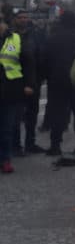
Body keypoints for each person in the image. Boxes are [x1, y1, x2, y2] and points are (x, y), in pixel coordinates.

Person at [41, 10, 75, 156]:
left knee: (58, 112)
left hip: (57, 81)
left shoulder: (52, 38)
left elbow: (45, 60)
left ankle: (55, 144)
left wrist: (46, 76)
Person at [0, 13, 37, 173]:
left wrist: (29, 84)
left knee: (7, 127)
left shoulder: (15, 39)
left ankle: (5, 159)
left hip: (10, 88)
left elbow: (28, 62)